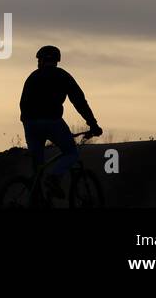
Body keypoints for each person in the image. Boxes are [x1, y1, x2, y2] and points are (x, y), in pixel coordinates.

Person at [19, 45, 102, 199]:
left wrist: (28, 122)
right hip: (52, 121)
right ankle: (54, 177)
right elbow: (79, 102)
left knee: (38, 167)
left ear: (41, 61)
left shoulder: (33, 77)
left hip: (30, 123)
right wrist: (93, 124)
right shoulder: (63, 76)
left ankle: (36, 199)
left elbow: (22, 103)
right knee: (71, 153)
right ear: (57, 61)